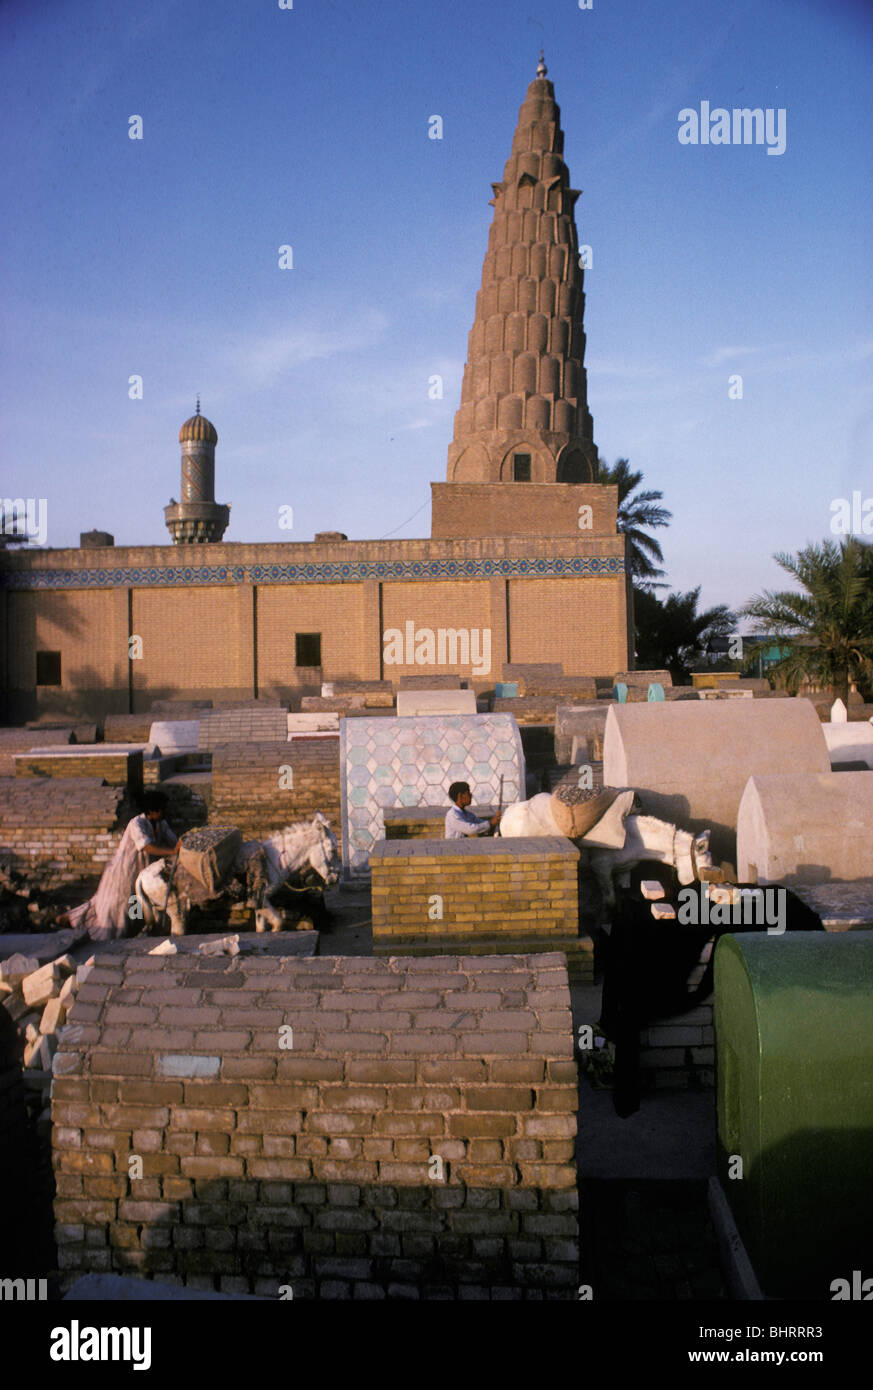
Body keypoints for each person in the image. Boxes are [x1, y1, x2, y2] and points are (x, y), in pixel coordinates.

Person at [56, 790, 179, 941]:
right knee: (115, 906)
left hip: (142, 872)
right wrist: (172, 851)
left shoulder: (162, 824)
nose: (164, 812)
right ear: (152, 811)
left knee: (137, 903)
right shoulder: (137, 823)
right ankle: (95, 930)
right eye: (162, 809)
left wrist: (179, 847)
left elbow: (174, 842)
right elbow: (146, 846)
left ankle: (133, 932)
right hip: (124, 872)